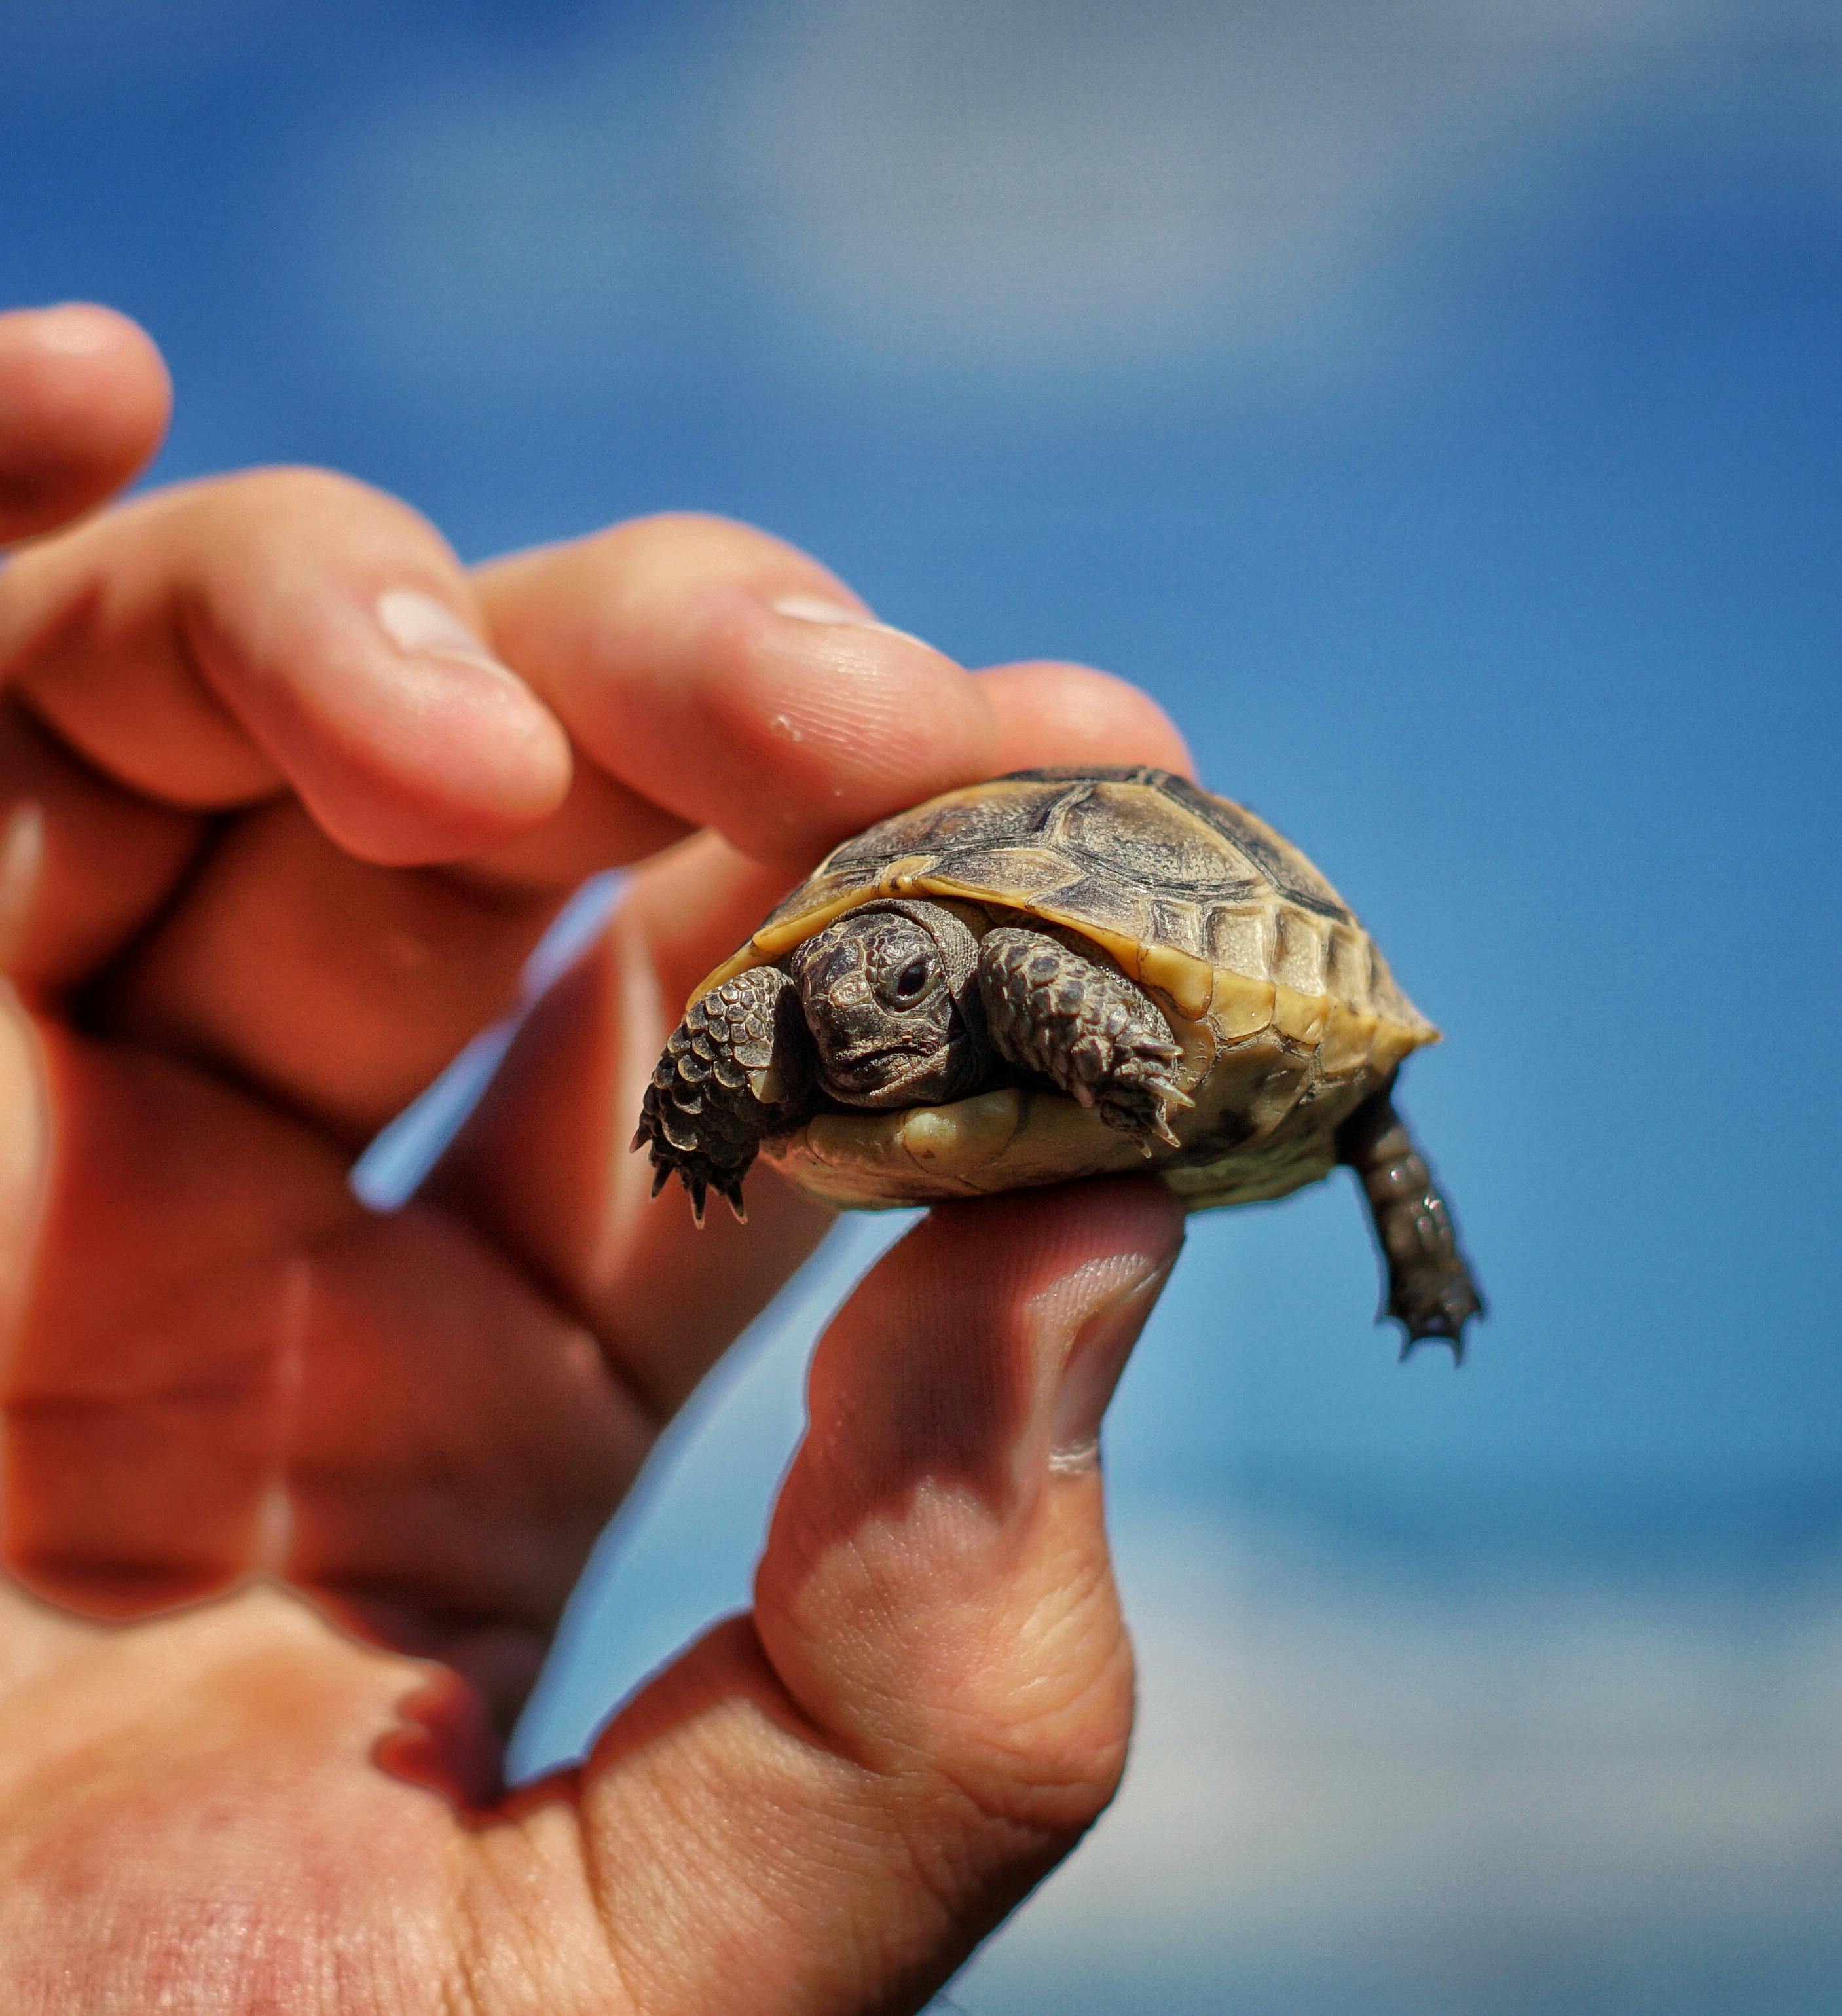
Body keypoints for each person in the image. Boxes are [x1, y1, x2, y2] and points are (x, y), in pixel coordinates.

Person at [0, 303, 1190, 2011]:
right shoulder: (776, 1010)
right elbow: (755, 1017)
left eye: (903, 977)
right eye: (825, 984)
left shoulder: (1020, 975)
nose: (853, 1012)